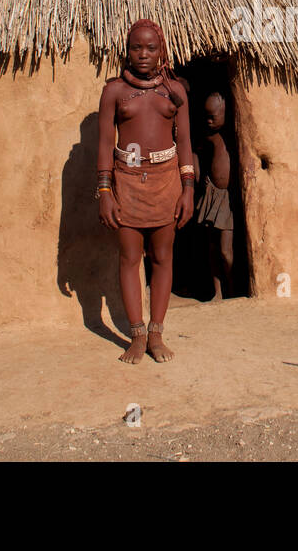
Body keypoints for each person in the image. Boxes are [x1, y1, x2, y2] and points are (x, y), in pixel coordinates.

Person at [96, 19, 195, 363]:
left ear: (162, 51)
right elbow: (106, 142)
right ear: (127, 49)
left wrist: (188, 189)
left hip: (166, 180)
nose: (143, 55)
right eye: (136, 47)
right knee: (129, 258)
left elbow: (184, 143)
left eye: (151, 48)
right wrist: (105, 190)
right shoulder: (114, 92)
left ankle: (157, 334)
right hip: (126, 180)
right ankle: (136, 334)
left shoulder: (176, 91)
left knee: (162, 258)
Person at [193, 92, 237, 299]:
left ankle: (232, 287)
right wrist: (199, 174)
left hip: (227, 198)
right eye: (206, 116)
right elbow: (195, 151)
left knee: (225, 250)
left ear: (225, 111)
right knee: (211, 247)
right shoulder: (210, 136)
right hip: (212, 194)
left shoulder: (233, 136)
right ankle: (217, 291)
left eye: (213, 116)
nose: (209, 121)